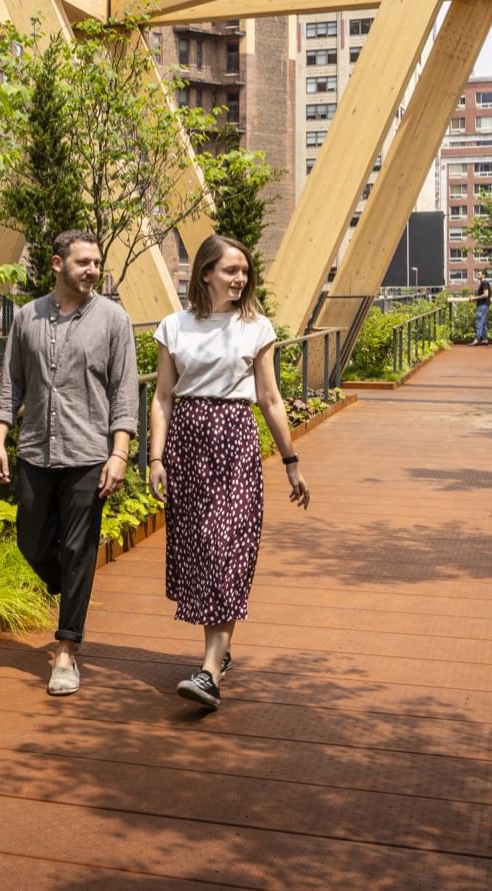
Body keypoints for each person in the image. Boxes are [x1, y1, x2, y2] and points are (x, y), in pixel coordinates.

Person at [148, 234, 311, 712]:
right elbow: (161, 397)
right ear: (205, 274)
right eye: (230, 270)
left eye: (244, 271)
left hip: (235, 443)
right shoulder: (173, 327)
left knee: (225, 550)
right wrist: (156, 458)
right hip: (187, 443)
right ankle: (219, 652)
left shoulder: (256, 327)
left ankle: (210, 672)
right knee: (201, 549)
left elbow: (271, 399)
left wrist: (291, 462)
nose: (240, 279)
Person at [0, 230, 137, 696]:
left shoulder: (114, 319)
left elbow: (124, 391)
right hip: (35, 449)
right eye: (83, 262)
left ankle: (67, 650)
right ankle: (75, 586)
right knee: (31, 542)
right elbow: (10, 383)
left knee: (78, 549)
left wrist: (119, 452)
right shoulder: (28, 318)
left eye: (97, 262)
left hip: (90, 453)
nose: (93, 269)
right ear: (57, 264)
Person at [472, 270, 492, 346]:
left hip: (483, 305)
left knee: (479, 322)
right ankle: (484, 339)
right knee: (483, 322)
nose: (477, 275)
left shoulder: (484, 283)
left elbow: (485, 295)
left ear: (483, 275)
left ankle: (477, 339)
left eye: (479, 274)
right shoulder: (484, 283)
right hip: (484, 305)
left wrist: (474, 298)